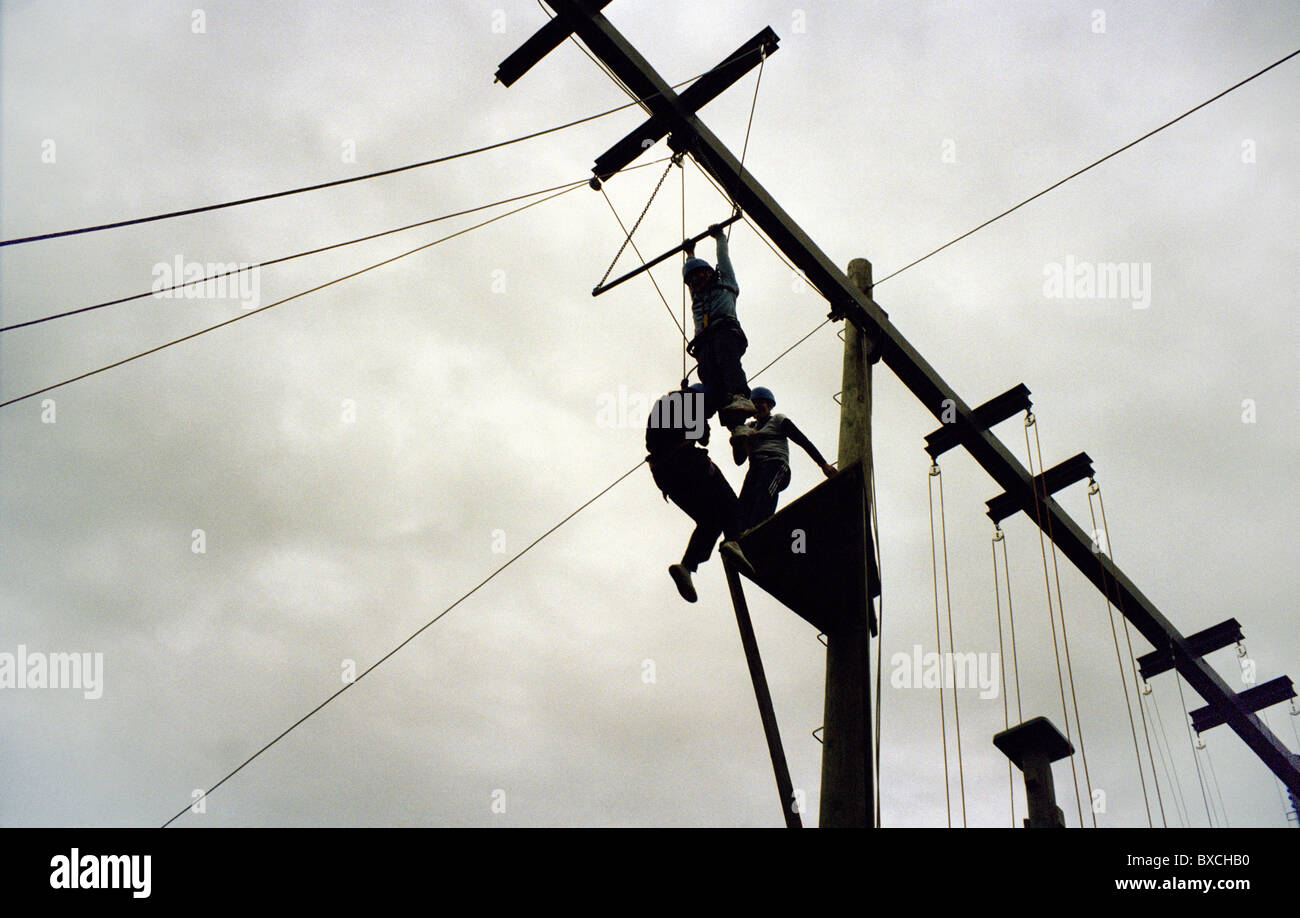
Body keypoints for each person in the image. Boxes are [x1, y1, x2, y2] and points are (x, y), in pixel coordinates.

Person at [646, 384, 755, 603]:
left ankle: (687, 567)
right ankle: (733, 540)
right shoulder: (691, 402)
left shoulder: (662, 407)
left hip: (664, 477)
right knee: (731, 504)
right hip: (687, 464)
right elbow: (703, 437)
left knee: (710, 521)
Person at [683, 223, 755, 446]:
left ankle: (741, 397)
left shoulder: (726, 284)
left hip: (725, 331)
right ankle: (737, 427)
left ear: (709, 272)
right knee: (710, 377)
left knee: (727, 363)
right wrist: (690, 253)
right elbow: (691, 277)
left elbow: (724, 260)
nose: (697, 281)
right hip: (705, 342)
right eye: (692, 279)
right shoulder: (697, 297)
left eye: (700, 275)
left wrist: (719, 237)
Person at [734, 386, 836, 531]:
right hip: (755, 468)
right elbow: (739, 460)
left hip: (776, 465)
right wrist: (741, 441)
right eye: (754, 403)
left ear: (770, 405)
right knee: (744, 504)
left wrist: (823, 464)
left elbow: (802, 440)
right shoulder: (749, 427)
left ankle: (757, 530)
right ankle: (741, 538)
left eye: (762, 402)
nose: (758, 406)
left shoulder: (777, 420)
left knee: (765, 491)